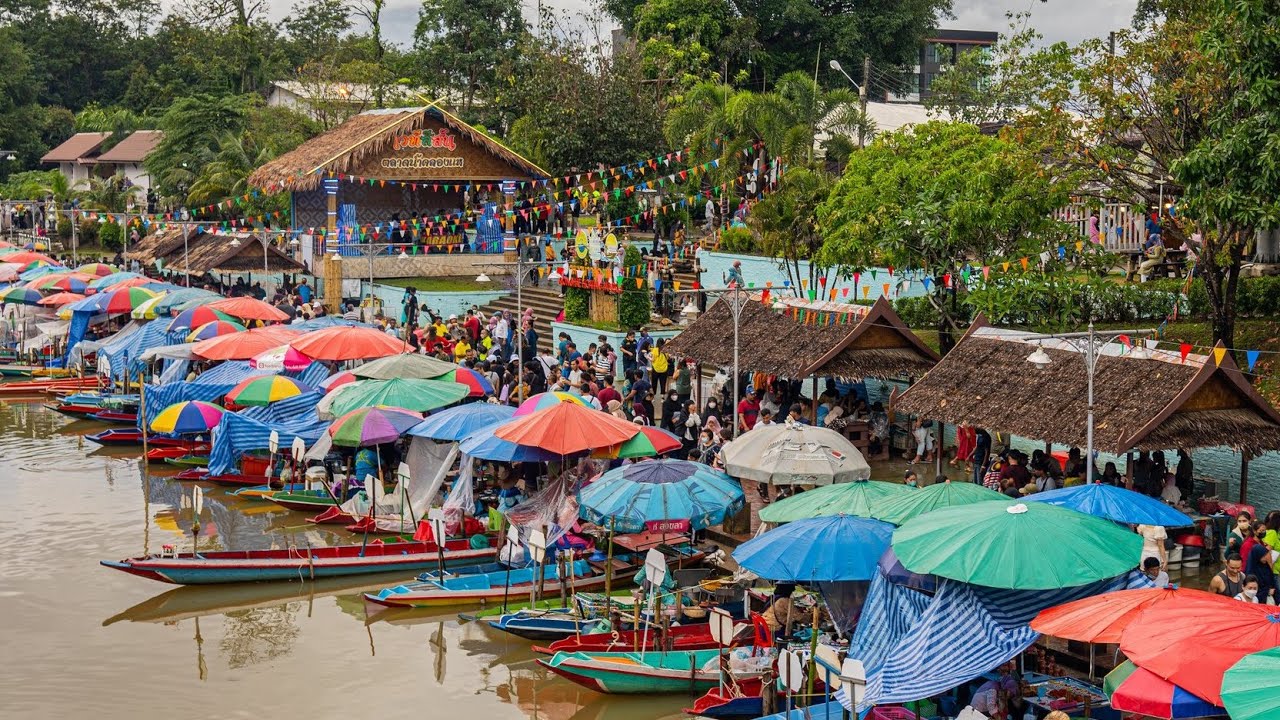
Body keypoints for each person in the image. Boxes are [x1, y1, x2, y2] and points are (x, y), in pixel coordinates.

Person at [1244, 521, 1276, 604]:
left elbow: (1271, 580)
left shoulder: (1265, 567)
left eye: (1264, 530)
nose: (1266, 558)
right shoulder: (1251, 572)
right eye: (1261, 530)